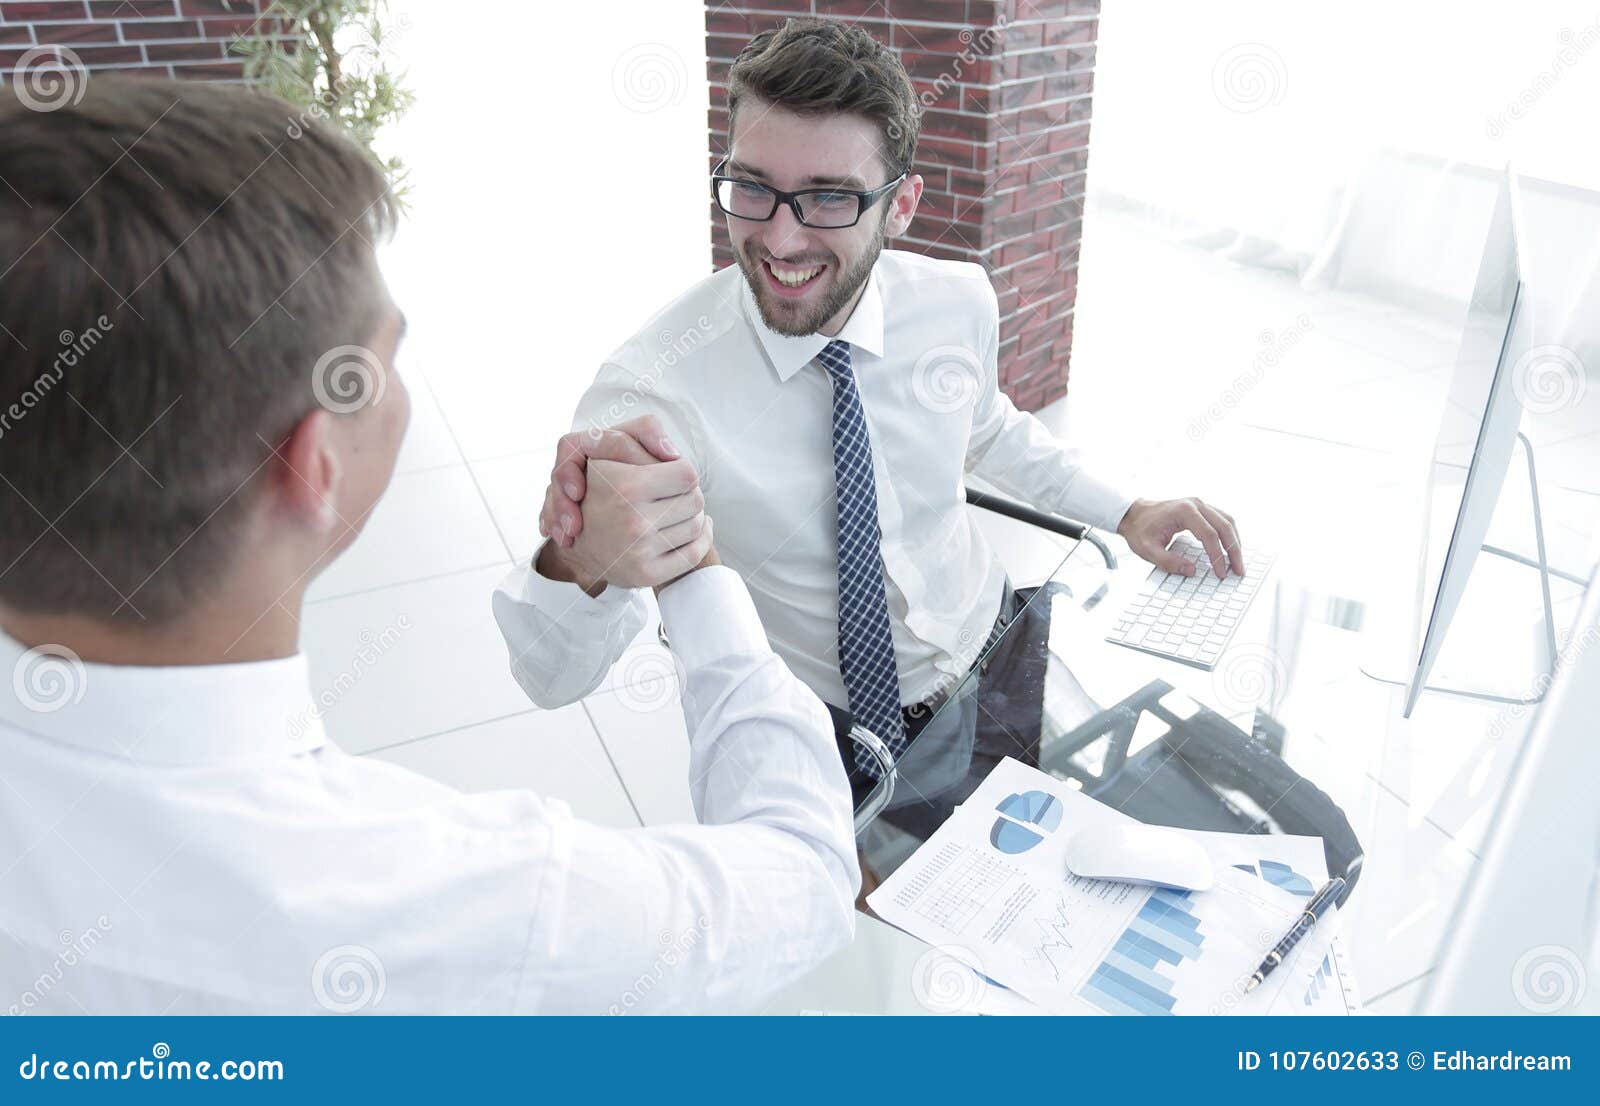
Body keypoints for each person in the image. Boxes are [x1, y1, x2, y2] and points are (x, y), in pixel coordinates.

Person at [0, 77, 856, 1015]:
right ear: (315, 461)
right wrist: (692, 568)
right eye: (385, 356)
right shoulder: (487, 908)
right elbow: (807, 871)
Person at [499, 18, 1245, 799]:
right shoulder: (652, 393)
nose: (780, 240)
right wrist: (581, 563)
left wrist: (1127, 510)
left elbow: (987, 430)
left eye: (828, 198)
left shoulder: (956, 304)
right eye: (752, 187)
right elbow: (549, 679)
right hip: (819, 736)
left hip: (995, 651)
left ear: (902, 206)